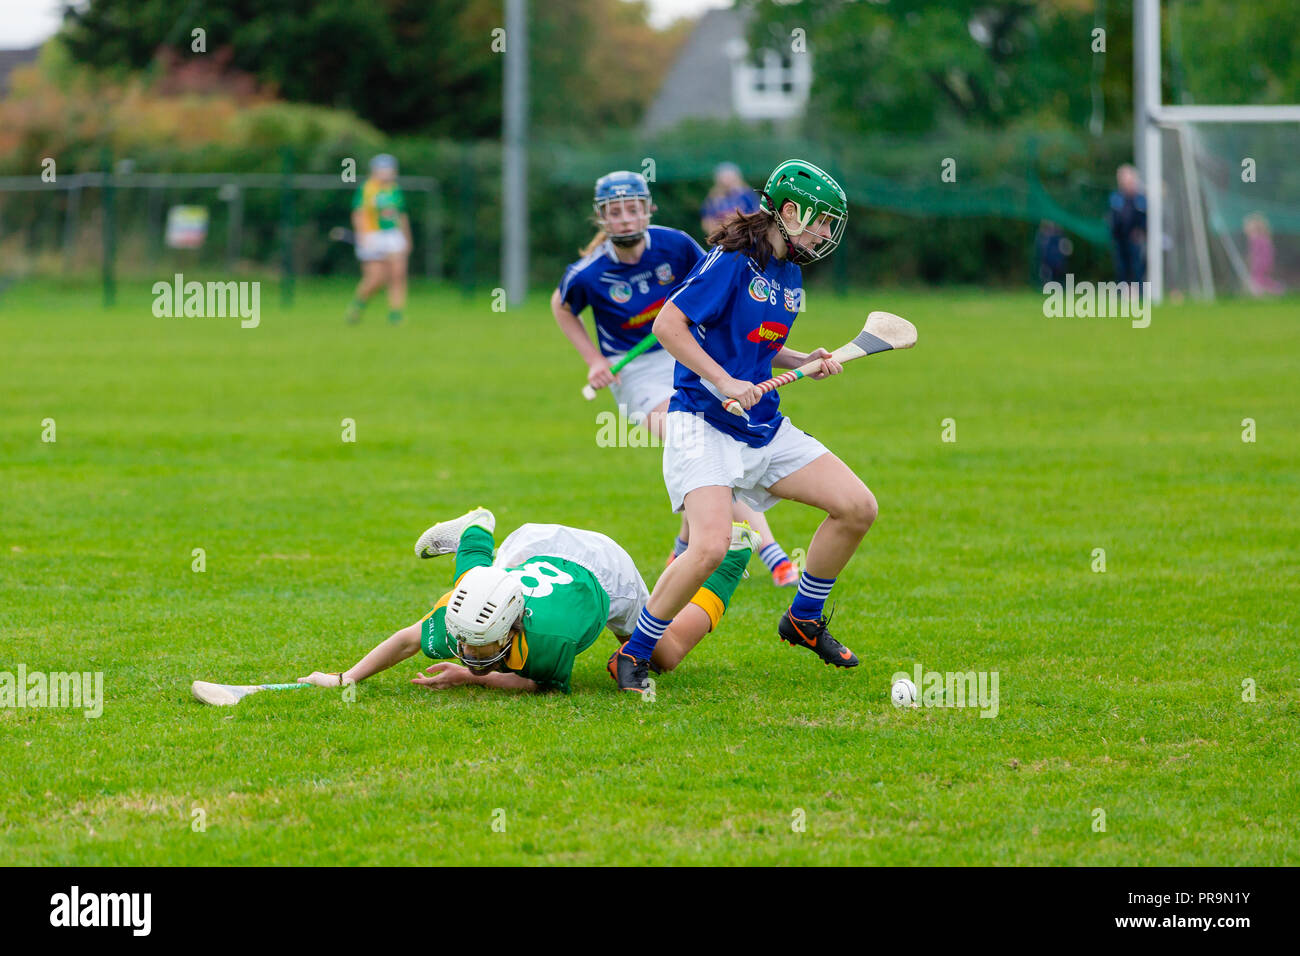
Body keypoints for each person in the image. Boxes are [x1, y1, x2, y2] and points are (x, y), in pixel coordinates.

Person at [609, 159, 878, 693]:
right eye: (822, 221)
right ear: (791, 212)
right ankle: (634, 653)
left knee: (857, 507)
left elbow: (760, 343)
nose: (826, 234)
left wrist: (803, 358)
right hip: (701, 423)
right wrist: (724, 381)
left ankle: (803, 618)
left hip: (761, 426)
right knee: (710, 547)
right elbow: (668, 325)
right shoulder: (731, 261)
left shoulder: (790, 273)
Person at [551, 170, 802, 587]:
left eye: (633, 209)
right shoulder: (588, 271)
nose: (625, 219)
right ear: (601, 217)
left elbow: (713, 287)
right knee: (698, 443)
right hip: (635, 373)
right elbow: (561, 305)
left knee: (707, 450)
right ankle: (773, 555)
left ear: (648, 209)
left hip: (687, 350)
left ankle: (683, 550)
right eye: (615, 212)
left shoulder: (676, 244)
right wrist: (594, 360)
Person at [296, 507, 759, 695]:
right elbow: (406, 640)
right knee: (476, 581)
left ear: (513, 628)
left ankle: (733, 556)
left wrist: (471, 678)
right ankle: (475, 529)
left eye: (480, 647)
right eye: (466, 646)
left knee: (666, 654)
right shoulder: (461, 618)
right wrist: (345, 678)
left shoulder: (549, 642)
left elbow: (539, 686)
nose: (469, 653)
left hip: (600, 568)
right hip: (532, 546)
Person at [344, 154, 412, 325]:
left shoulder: (395, 189)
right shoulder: (367, 189)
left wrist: (406, 237)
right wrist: (362, 235)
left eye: (389, 170)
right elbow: (358, 213)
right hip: (372, 235)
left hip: (393, 235)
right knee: (376, 278)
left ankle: (395, 314)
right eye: (382, 170)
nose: (386, 173)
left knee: (398, 274)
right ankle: (358, 305)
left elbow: (401, 215)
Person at [1108, 164, 1147, 293]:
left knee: (1137, 268)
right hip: (1120, 238)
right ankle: (1121, 294)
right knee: (1121, 268)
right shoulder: (1116, 197)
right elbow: (1113, 218)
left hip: (1135, 240)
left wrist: (1140, 232)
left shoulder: (1140, 199)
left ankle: (1140, 295)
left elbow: (1144, 218)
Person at [700, 162, 761, 236]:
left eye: (729, 178)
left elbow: (757, 217)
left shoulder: (747, 196)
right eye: (724, 178)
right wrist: (719, 234)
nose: (727, 181)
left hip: (744, 236)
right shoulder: (713, 199)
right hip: (722, 237)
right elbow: (707, 222)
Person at [1244, 214, 1283, 296]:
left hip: (1260, 264)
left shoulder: (1256, 239)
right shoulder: (1265, 239)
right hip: (1265, 263)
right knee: (1262, 278)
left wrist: (1252, 260)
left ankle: (1275, 289)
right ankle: (1273, 289)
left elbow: (1255, 253)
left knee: (1257, 279)